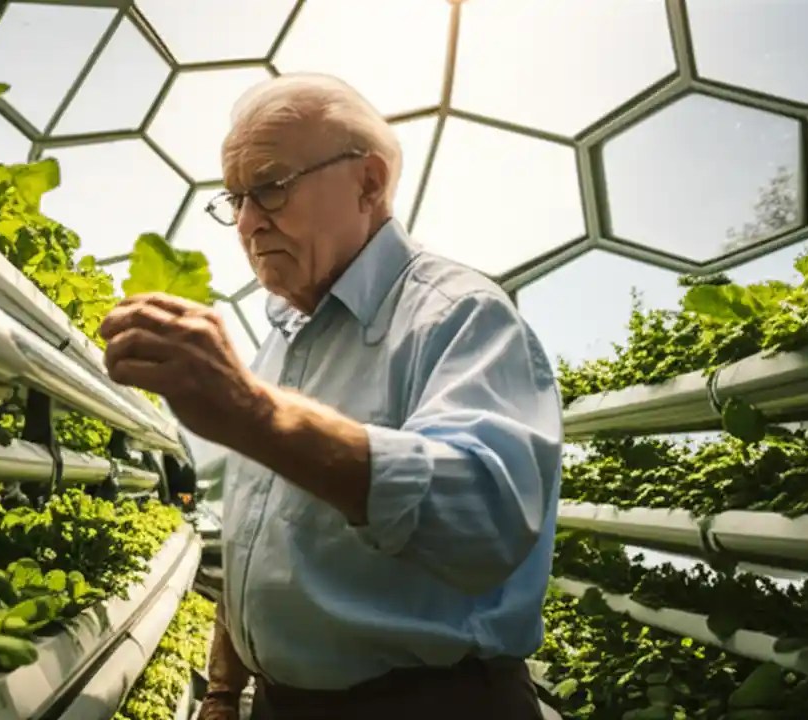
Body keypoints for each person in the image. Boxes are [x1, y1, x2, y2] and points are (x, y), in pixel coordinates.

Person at [99, 73, 562, 720]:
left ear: (368, 182)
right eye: (236, 198)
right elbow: (256, 542)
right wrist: (226, 690)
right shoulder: (282, 343)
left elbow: (486, 518)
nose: (248, 221)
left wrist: (253, 413)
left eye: (271, 187)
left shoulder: (459, 315)